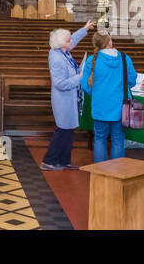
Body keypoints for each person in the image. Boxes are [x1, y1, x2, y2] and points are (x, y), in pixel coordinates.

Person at [40, 20, 96, 171]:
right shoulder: (57, 58)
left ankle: (64, 161)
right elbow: (60, 83)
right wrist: (81, 77)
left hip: (70, 98)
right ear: (61, 43)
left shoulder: (63, 51)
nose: (71, 41)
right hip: (63, 100)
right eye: (68, 40)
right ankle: (49, 160)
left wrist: (85, 29)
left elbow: (74, 40)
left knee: (68, 130)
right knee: (62, 131)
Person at [79, 30, 137, 163]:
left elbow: (85, 84)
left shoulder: (92, 60)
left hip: (100, 106)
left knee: (100, 138)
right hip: (119, 107)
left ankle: (101, 172)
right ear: (109, 41)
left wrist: (97, 93)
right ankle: (115, 174)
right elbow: (132, 80)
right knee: (118, 139)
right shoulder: (124, 58)